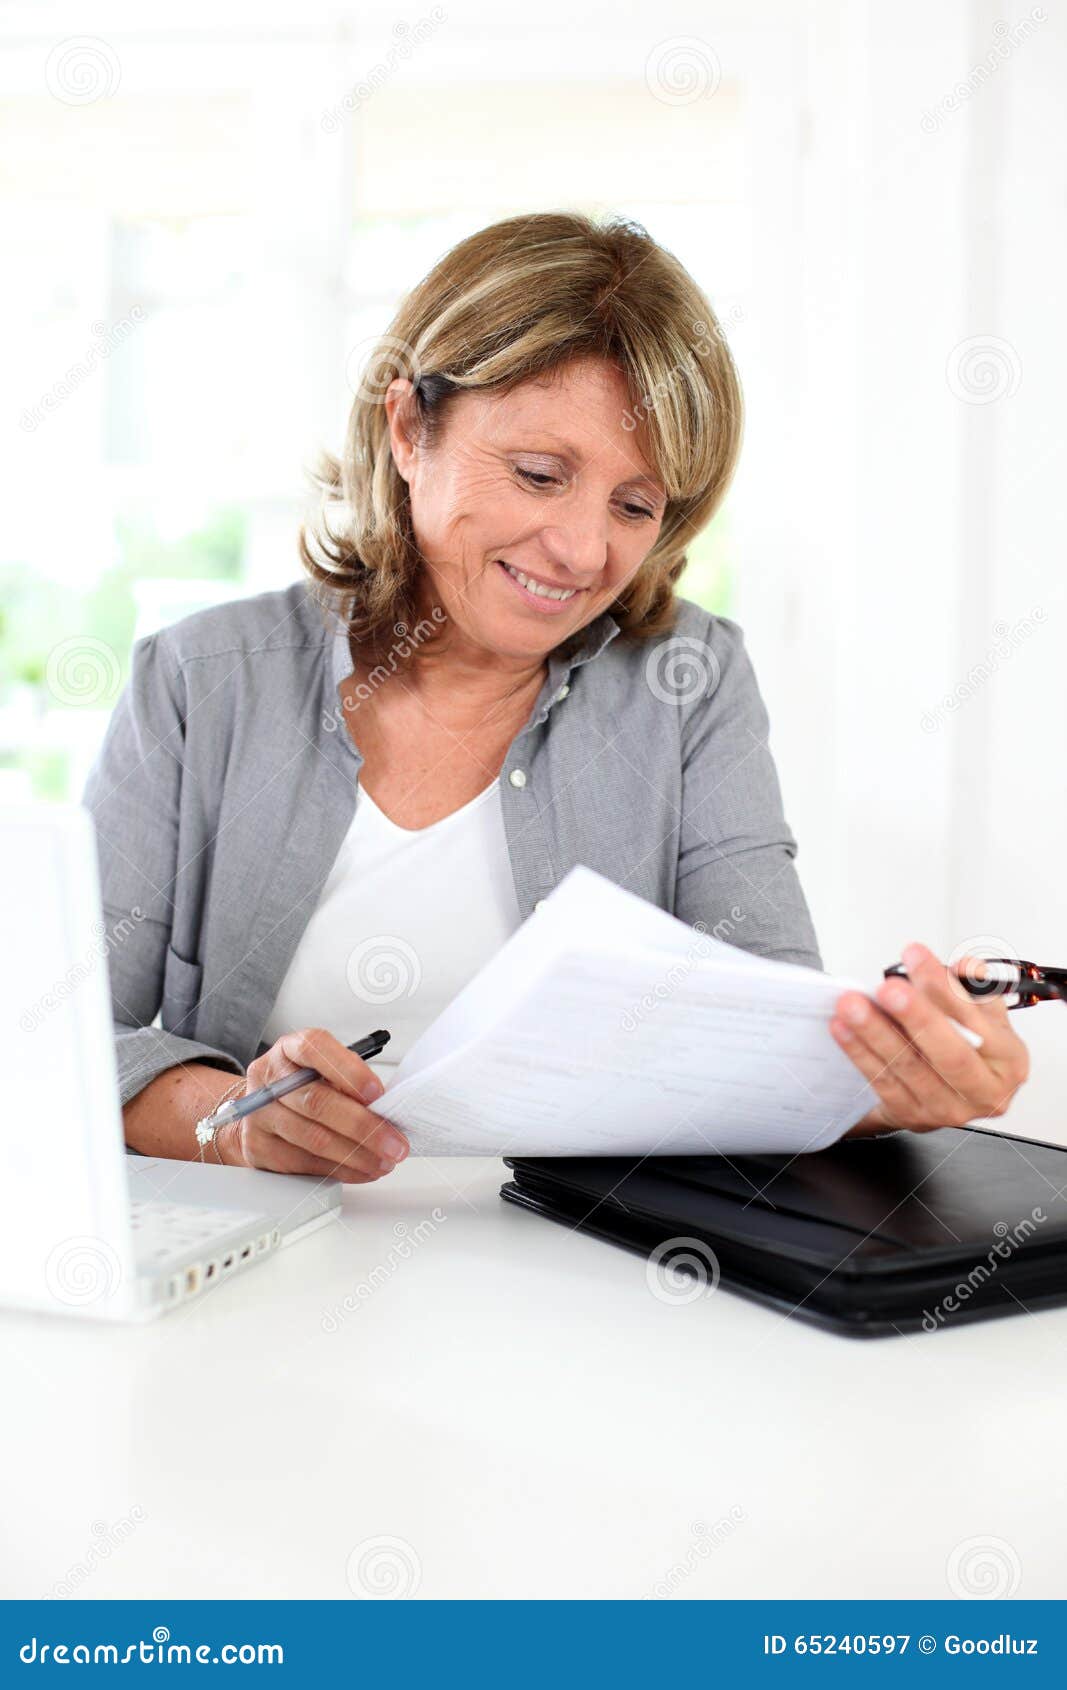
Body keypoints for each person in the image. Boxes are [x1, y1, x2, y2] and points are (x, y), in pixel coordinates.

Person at [86, 212, 1029, 1183]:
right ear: (407, 427)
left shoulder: (688, 682)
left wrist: (891, 1084)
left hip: (591, 1278)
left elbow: (765, 1047)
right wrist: (229, 1116)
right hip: (273, 1272)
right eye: (539, 475)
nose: (582, 552)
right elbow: (52, 1038)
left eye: (634, 506)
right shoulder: (203, 680)